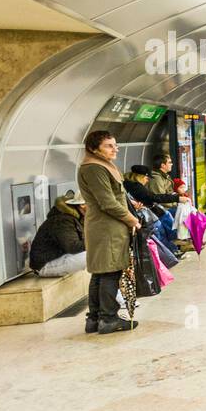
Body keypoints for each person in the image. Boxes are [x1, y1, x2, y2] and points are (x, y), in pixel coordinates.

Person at [77, 129, 141, 334]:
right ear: (93, 148)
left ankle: (94, 319)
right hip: (107, 228)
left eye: (115, 145)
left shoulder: (100, 165)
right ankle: (108, 319)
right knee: (110, 272)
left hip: (107, 226)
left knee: (101, 272)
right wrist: (132, 219)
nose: (115, 149)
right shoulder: (94, 168)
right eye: (109, 146)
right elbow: (107, 202)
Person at [28, 191, 87, 277]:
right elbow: (73, 247)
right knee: (94, 256)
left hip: (59, 258)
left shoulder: (78, 217)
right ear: (82, 205)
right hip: (44, 265)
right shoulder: (62, 220)